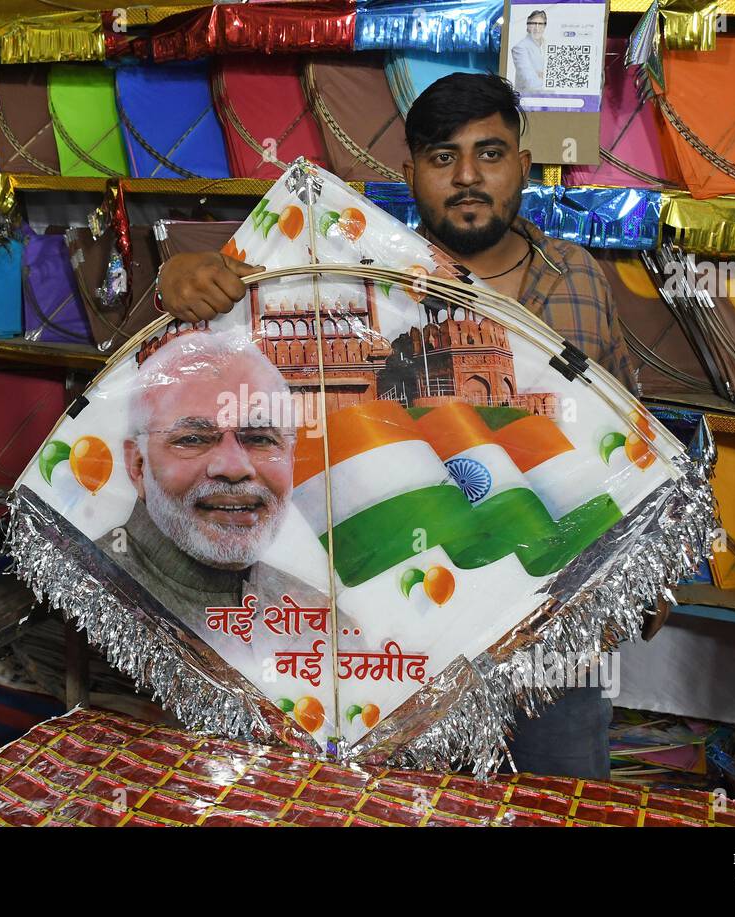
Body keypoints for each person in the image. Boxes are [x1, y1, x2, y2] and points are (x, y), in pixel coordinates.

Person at [153, 72, 668, 779]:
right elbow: (200, 358)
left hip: (556, 633)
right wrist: (176, 281)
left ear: (523, 162)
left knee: (562, 803)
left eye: (490, 153)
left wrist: (654, 577)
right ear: (409, 173)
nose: (467, 176)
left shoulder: (577, 277)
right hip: (413, 636)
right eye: (441, 157)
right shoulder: (356, 282)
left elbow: (632, 434)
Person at [97, 330, 331, 668]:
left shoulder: (321, 622)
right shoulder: (84, 589)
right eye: (193, 438)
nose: (234, 468)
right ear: (137, 465)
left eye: (261, 438)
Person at [510, 10, 549, 92]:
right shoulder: (520, 48)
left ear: (545, 26)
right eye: (533, 24)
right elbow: (531, 83)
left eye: (540, 24)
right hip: (527, 99)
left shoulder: (547, 45)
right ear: (528, 25)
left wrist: (541, 75)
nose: (537, 28)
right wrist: (546, 77)